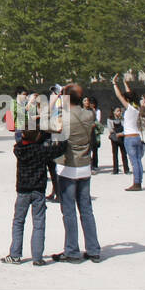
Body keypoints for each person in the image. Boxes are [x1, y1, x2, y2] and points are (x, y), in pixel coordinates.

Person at [2, 129, 69, 266]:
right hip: (38, 189)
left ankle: (15, 254)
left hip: (23, 190)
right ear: (38, 136)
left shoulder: (19, 149)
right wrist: (62, 135)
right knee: (39, 223)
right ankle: (37, 257)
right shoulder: (41, 150)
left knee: (18, 222)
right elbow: (60, 148)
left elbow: (20, 141)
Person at [51, 84, 102, 263]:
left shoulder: (62, 117)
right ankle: (94, 249)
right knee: (86, 209)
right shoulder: (89, 114)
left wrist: (55, 99)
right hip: (84, 164)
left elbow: (45, 124)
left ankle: (72, 250)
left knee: (69, 210)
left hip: (68, 165)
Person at [112, 76, 145, 191]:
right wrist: (125, 83)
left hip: (129, 138)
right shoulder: (137, 108)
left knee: (134, 162)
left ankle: (136, 183)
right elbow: (130, 95)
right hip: (136, 136)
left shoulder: (129, 108)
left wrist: (114, 84)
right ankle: (139, 181)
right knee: (138, 161)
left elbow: (119, 96)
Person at [107, 106, 130, 174]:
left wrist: (121, 134)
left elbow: (125, 128)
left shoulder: (123, 119)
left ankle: (126, 169)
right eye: (117, 111)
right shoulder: (110, 119)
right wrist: (116, 133)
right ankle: (115, 169)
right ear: (114, 112)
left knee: (124, 154)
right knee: (115, 154)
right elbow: (110, 129)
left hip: (122, 137)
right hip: (114, 138)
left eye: (119, 111)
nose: (119, 112)